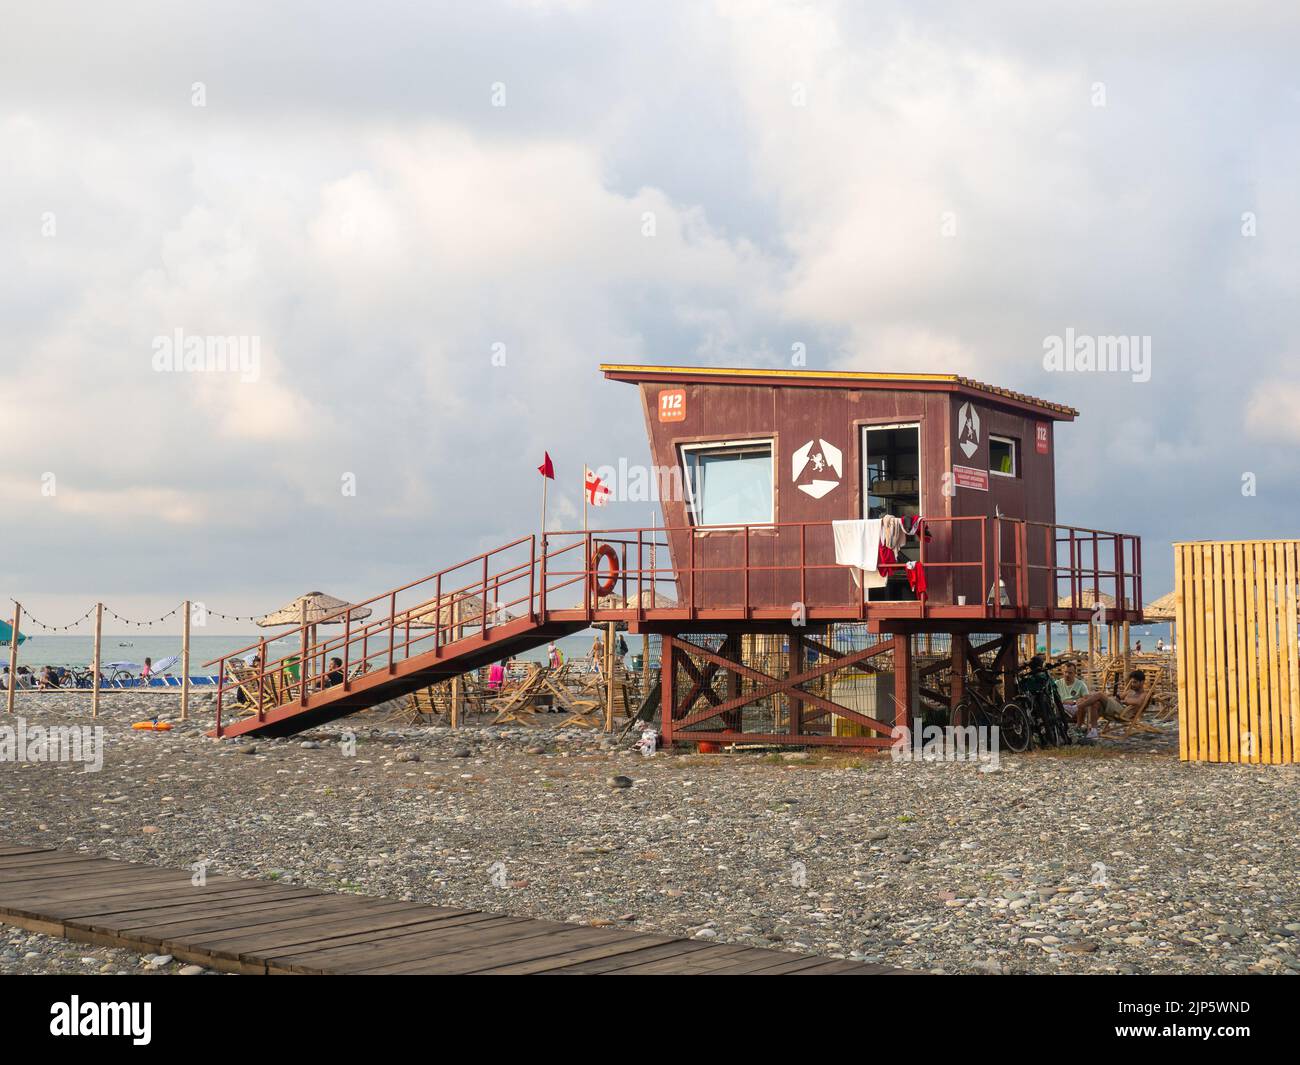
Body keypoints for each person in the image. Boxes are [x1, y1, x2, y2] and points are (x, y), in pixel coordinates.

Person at [1074, 670, 1146, 739]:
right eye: (1132, 682)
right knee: (1095, 703)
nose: (1133, 684)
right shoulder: (1130, 691)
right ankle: (1094, 731)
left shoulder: (1143, 695)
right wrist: (1119, 700)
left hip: (1123, 713)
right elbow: (1118, 697)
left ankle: (1075, 707)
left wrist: (1125, 701)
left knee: (1099, 694)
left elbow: (1138, 702)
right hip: (1117, 707)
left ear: (1142, 682)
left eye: (1135, 682)